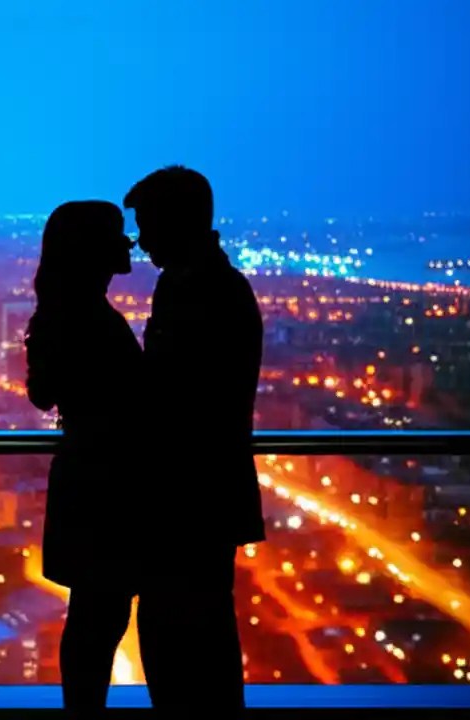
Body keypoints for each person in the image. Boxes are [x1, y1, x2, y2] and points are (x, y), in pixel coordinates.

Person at [125, 165, 265, 716]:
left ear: (175, 223)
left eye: (148, 226)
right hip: (193, 495)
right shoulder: (190, 285)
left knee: (187, 638)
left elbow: (183, 399)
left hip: (193, 497)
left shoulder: (209, 293)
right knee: (185, 634)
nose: (142, 242)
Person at [24, 200, 144, 715]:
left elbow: (43, 393)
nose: (129, 243)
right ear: (91, 249)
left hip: (86, 480)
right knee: (101, 618)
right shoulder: (95, 320)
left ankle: (83, 716)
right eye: (118, 234)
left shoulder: (62, 315)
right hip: (109, 487)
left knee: (93, 616)